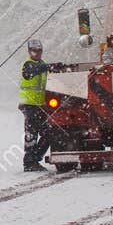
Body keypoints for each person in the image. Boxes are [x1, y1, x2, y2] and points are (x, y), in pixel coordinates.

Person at [19, 38, 69, 172]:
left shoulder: (41, 64)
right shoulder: (28, 65)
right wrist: (48, 66)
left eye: (39, 50)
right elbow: (31, 72)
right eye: (34, 50)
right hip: (29, 104)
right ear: (29, 51)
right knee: (32, 134)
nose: (37, 53)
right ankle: (29, 162)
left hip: (40, 105)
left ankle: (34, 159)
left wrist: (57, 68)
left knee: (49, 132)